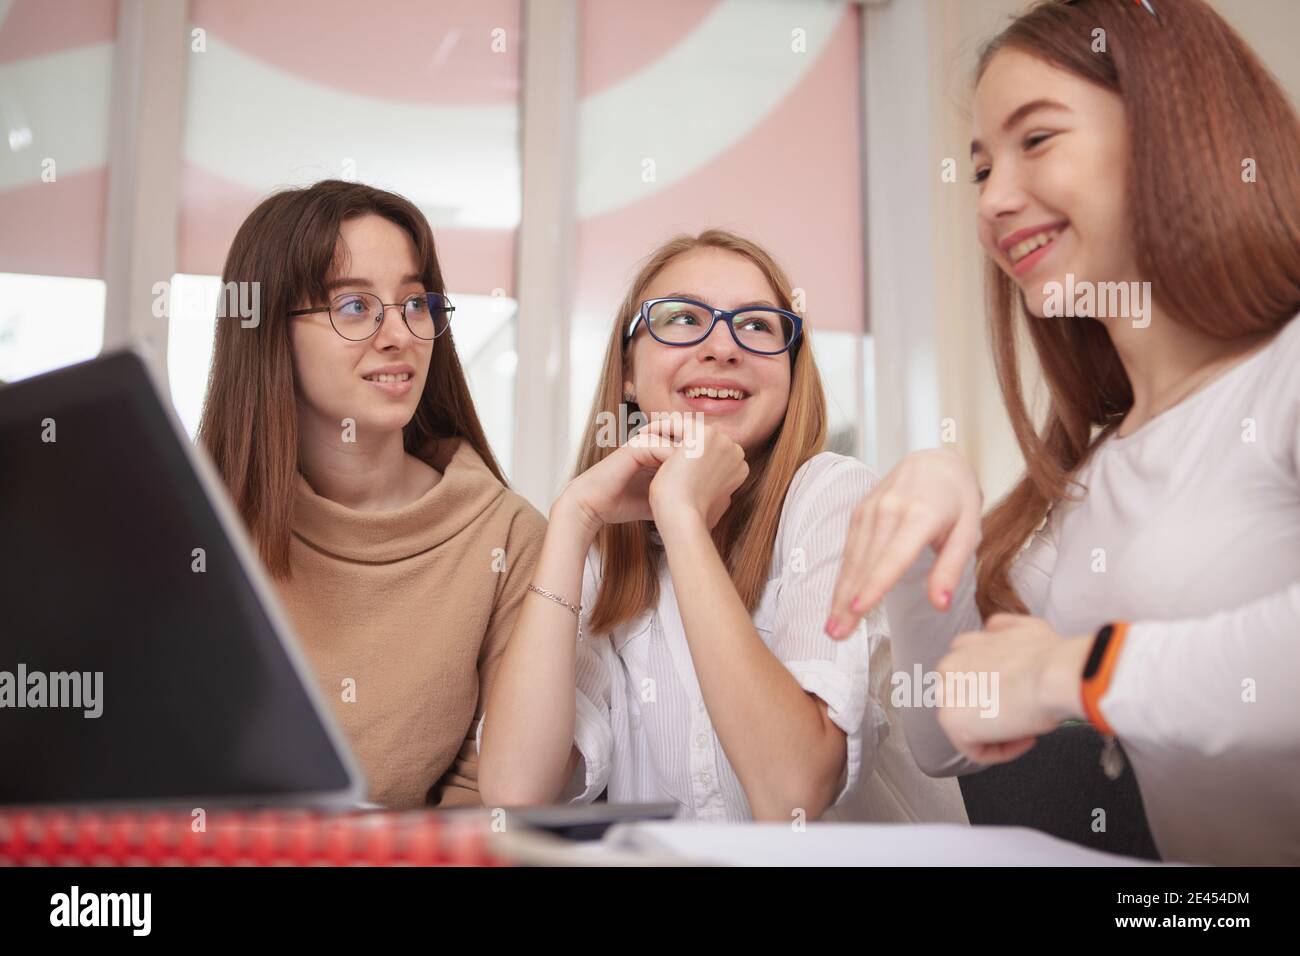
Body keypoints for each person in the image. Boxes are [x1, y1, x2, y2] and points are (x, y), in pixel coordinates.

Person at [827, 0, 1300, 864]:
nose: (995, 202)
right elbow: (950, 734)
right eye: (979, 170)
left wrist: (1070, 670)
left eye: (1036, 140)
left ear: (1175, 132)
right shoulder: (1096, 478)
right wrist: (935, 536)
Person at [479, 229, 964, 823]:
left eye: (758, 324)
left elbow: (792, 791)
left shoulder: (834, 494)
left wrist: (682, 515)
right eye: (682, 318)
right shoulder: (611, 549)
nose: (722, 347)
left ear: (790, 370)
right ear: (628, 371)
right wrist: (573, 519)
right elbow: (515, 791)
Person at [198, 180, 546, 809]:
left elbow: (486, 801)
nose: (401, 335)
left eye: (416, 303)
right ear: (268, 332)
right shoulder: (197, 527)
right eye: (354, 307)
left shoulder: (507, 536)